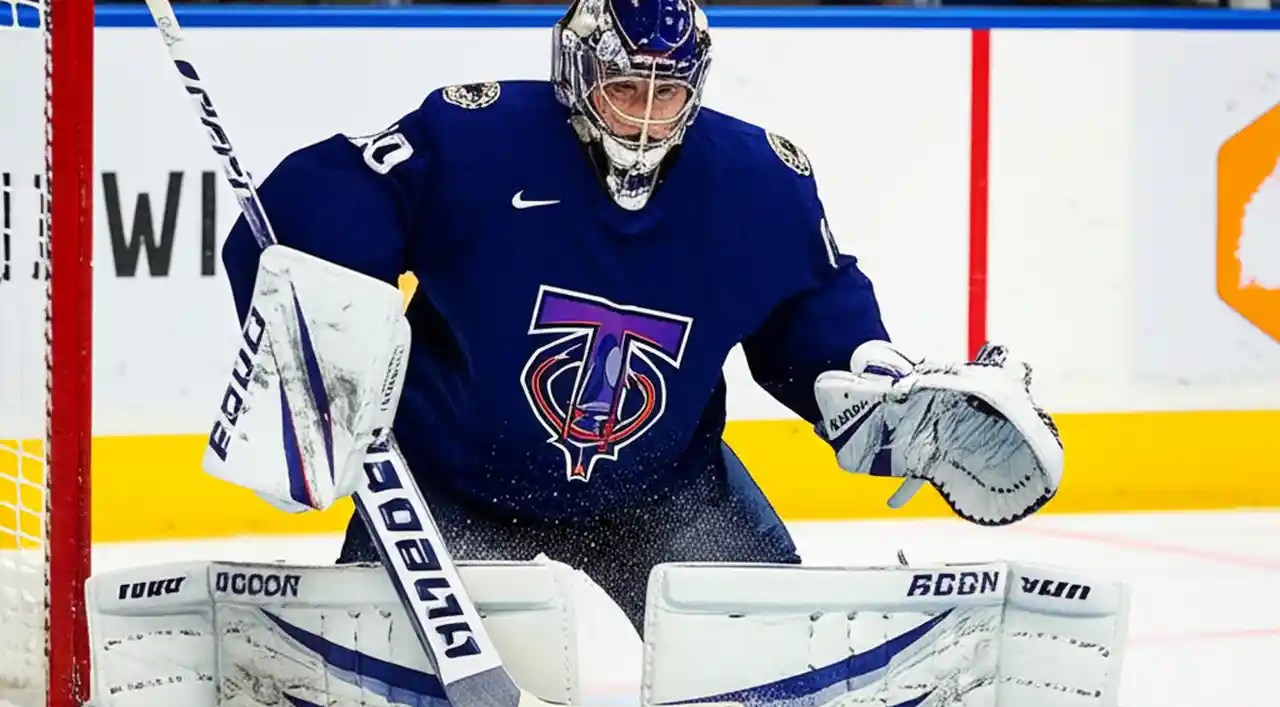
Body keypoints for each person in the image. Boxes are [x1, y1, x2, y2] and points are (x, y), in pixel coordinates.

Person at [220, 0, 1061, 635]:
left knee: (781, 668)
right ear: (575, 72)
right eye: (625, 88)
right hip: (450, 492)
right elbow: (336, 197)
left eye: (669, 93)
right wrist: (323, 314)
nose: (647, 116)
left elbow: (809, 306)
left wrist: (861, 368)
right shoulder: (478, 138)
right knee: (390, 690)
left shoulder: (758, 184)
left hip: (665, 494)